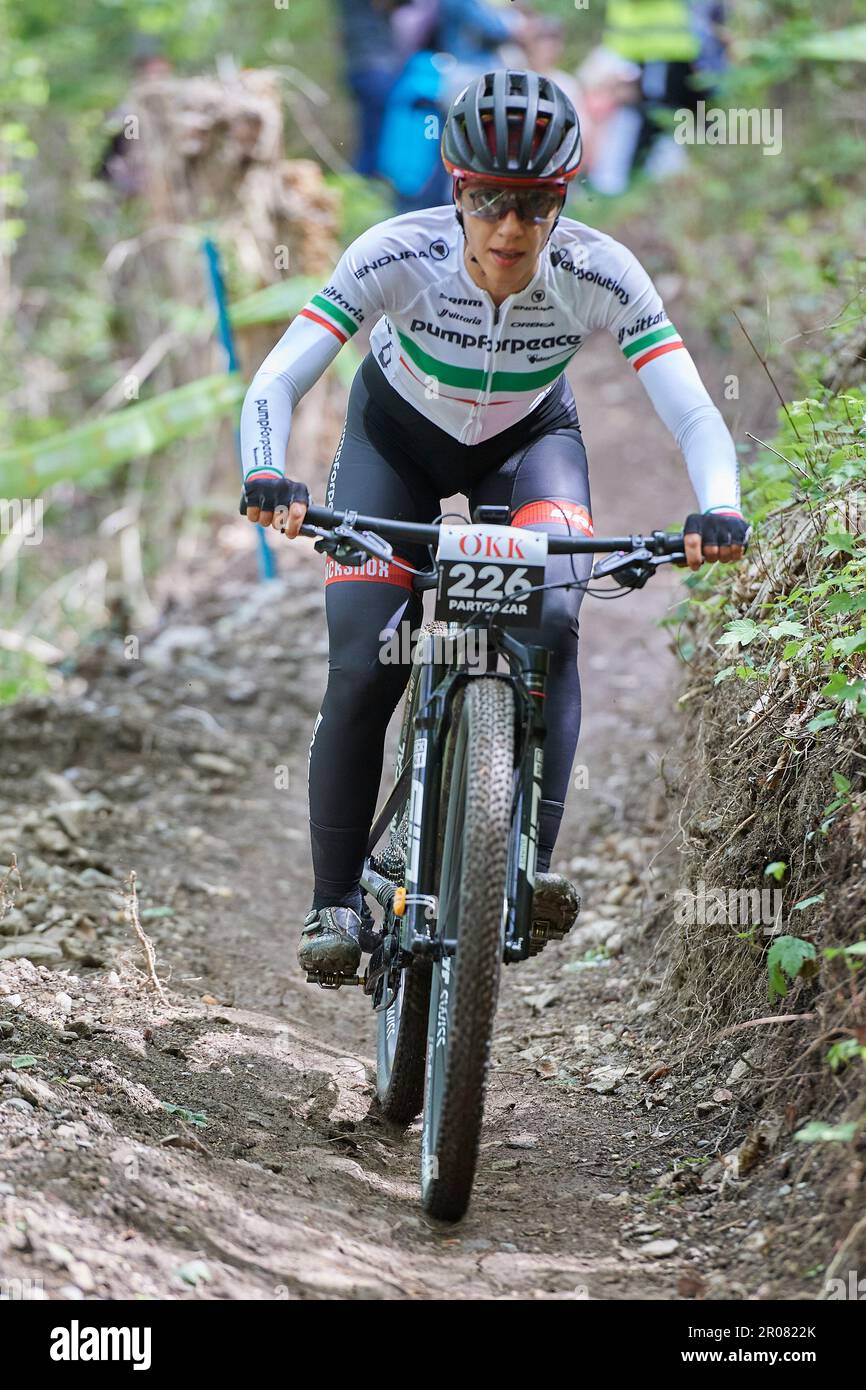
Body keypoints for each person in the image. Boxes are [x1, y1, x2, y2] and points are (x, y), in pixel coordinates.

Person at [239, 69, 749, 979]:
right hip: (392, 444)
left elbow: (696, 414)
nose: (509, 229)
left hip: (528, 445)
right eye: (490, 202)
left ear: (563, 201)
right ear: (456, 189)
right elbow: (277, 378)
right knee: (364, 659)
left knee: (552, 619)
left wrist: (721, 505)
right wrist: (267, 471)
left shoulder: (598, 271)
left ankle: (528, 866)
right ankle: (331, 903)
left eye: (535, 205)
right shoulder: (395, 253)